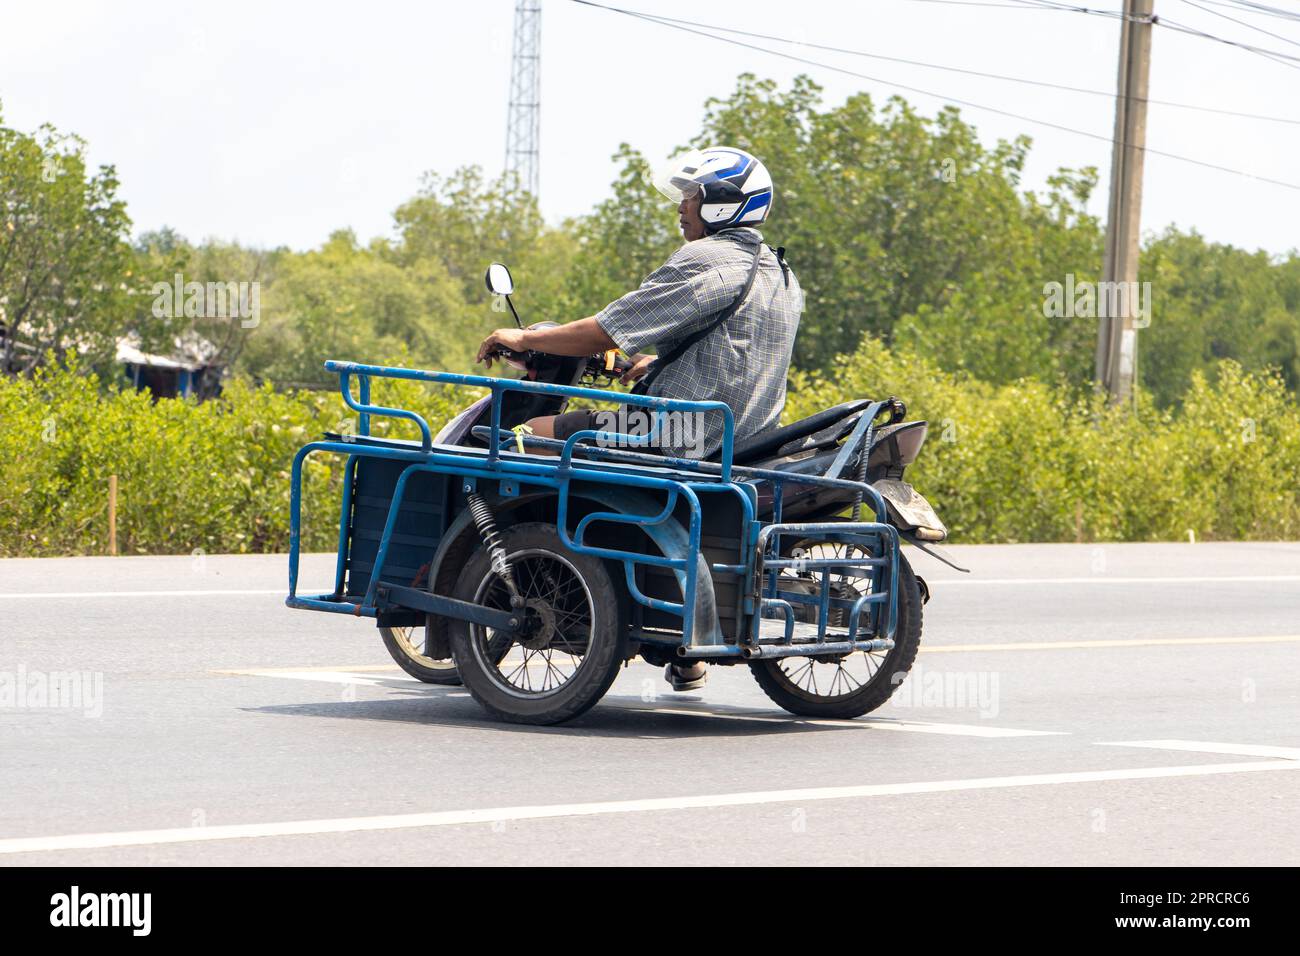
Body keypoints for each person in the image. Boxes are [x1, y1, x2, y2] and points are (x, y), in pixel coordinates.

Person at [476, 146, 803, 691]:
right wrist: (656, 363)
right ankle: (680, 651)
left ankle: (539, 568)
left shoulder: (706, 262)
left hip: (676, 433)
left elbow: (606, 329)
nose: (682, 207)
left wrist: (525, 337)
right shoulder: (777, 270)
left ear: (721, 205)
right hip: (742, 437)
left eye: (691, 197)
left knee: (528, 434)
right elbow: (735, 348)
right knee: (586, 432)